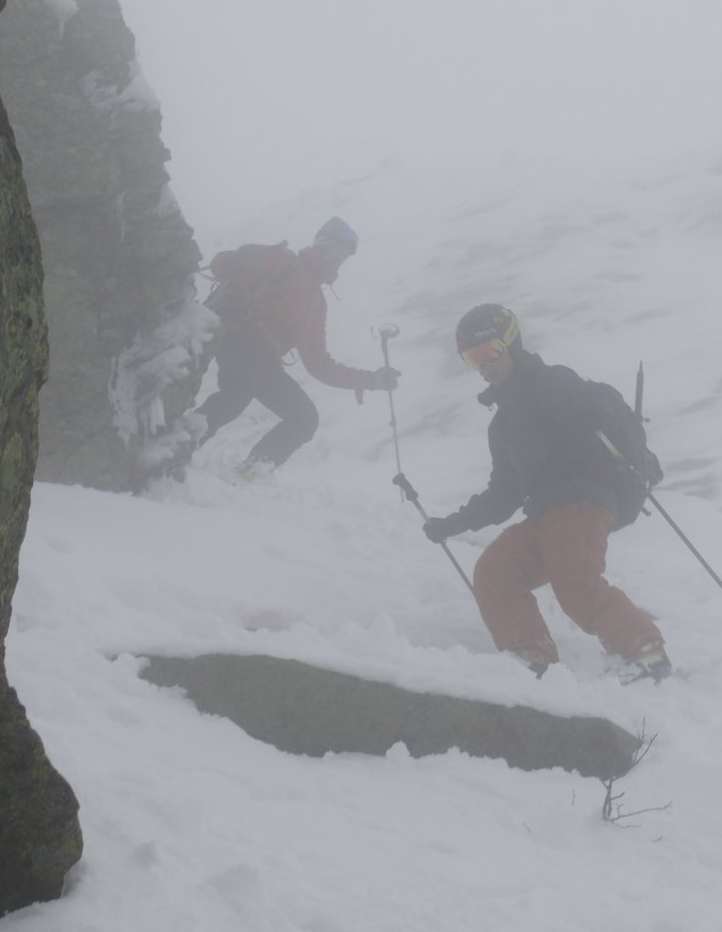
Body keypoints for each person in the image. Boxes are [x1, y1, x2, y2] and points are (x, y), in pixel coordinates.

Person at [420, 304, 671, 680]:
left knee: (577, 586)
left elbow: (598, 400)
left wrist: (601, 411)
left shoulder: (549, 382)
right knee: (497, 569)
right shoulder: (503, 425)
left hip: (582, 502)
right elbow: (503, 494)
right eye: (473, 358)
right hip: (544, 515)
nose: (484, 366)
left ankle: (646, 654)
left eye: (489, 353)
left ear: (512, 345)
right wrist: (453, 524)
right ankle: (532, 659)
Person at [192, 217, 400, 472]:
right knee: (237, 394)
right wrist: (235, 263)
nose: (340, 258)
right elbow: (221, 264)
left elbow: (319, 363)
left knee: (304, 418)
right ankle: (173, 448)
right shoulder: (285, 261)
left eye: (345, 255)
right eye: (338, 249)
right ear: (321, 243)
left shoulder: (317, 304)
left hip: (264, 359)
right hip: (237, 336)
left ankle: (251, 472)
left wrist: (370, 380)